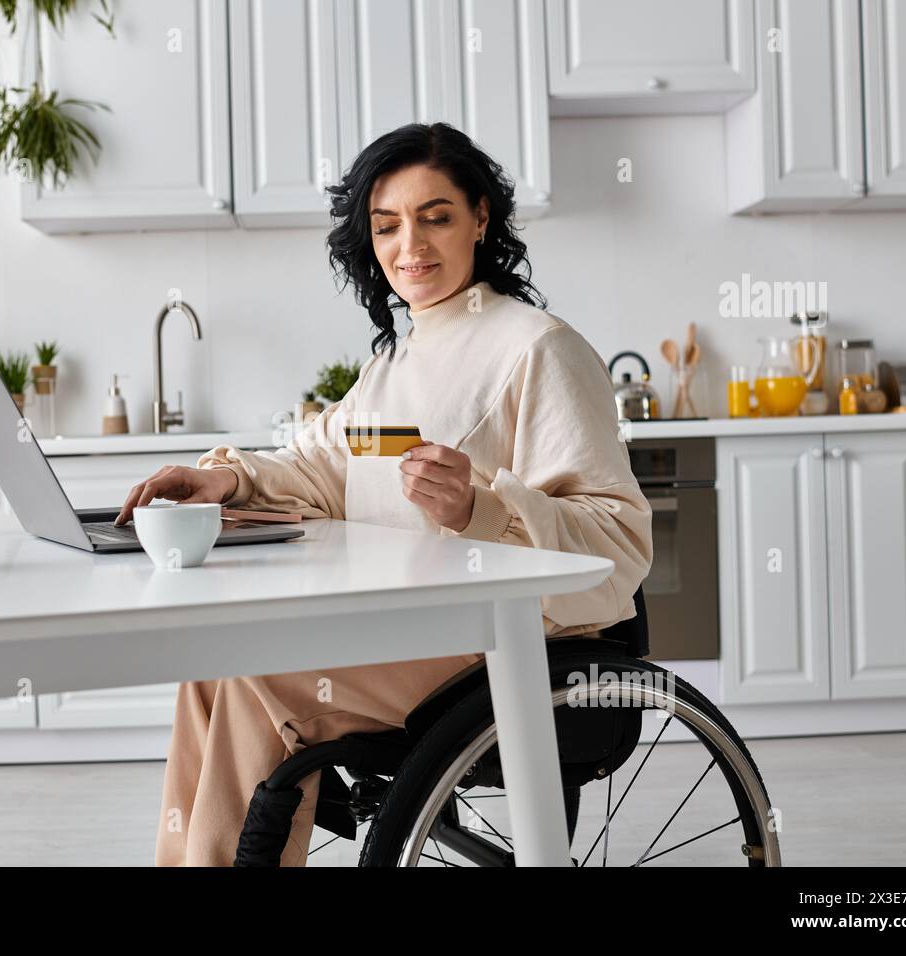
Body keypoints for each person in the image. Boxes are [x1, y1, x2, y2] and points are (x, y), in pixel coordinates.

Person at [114, 123, 653, 866]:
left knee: (258, 681)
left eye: (436, 217)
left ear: (481, 219)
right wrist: (229, 478)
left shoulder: (538, 348)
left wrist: (480, 509)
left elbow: (619, 539)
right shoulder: (398, 362)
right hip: (416, 631)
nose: (411, 246)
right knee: (215, 666)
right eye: (387, 225)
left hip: (505, 644)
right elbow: (328, 469)